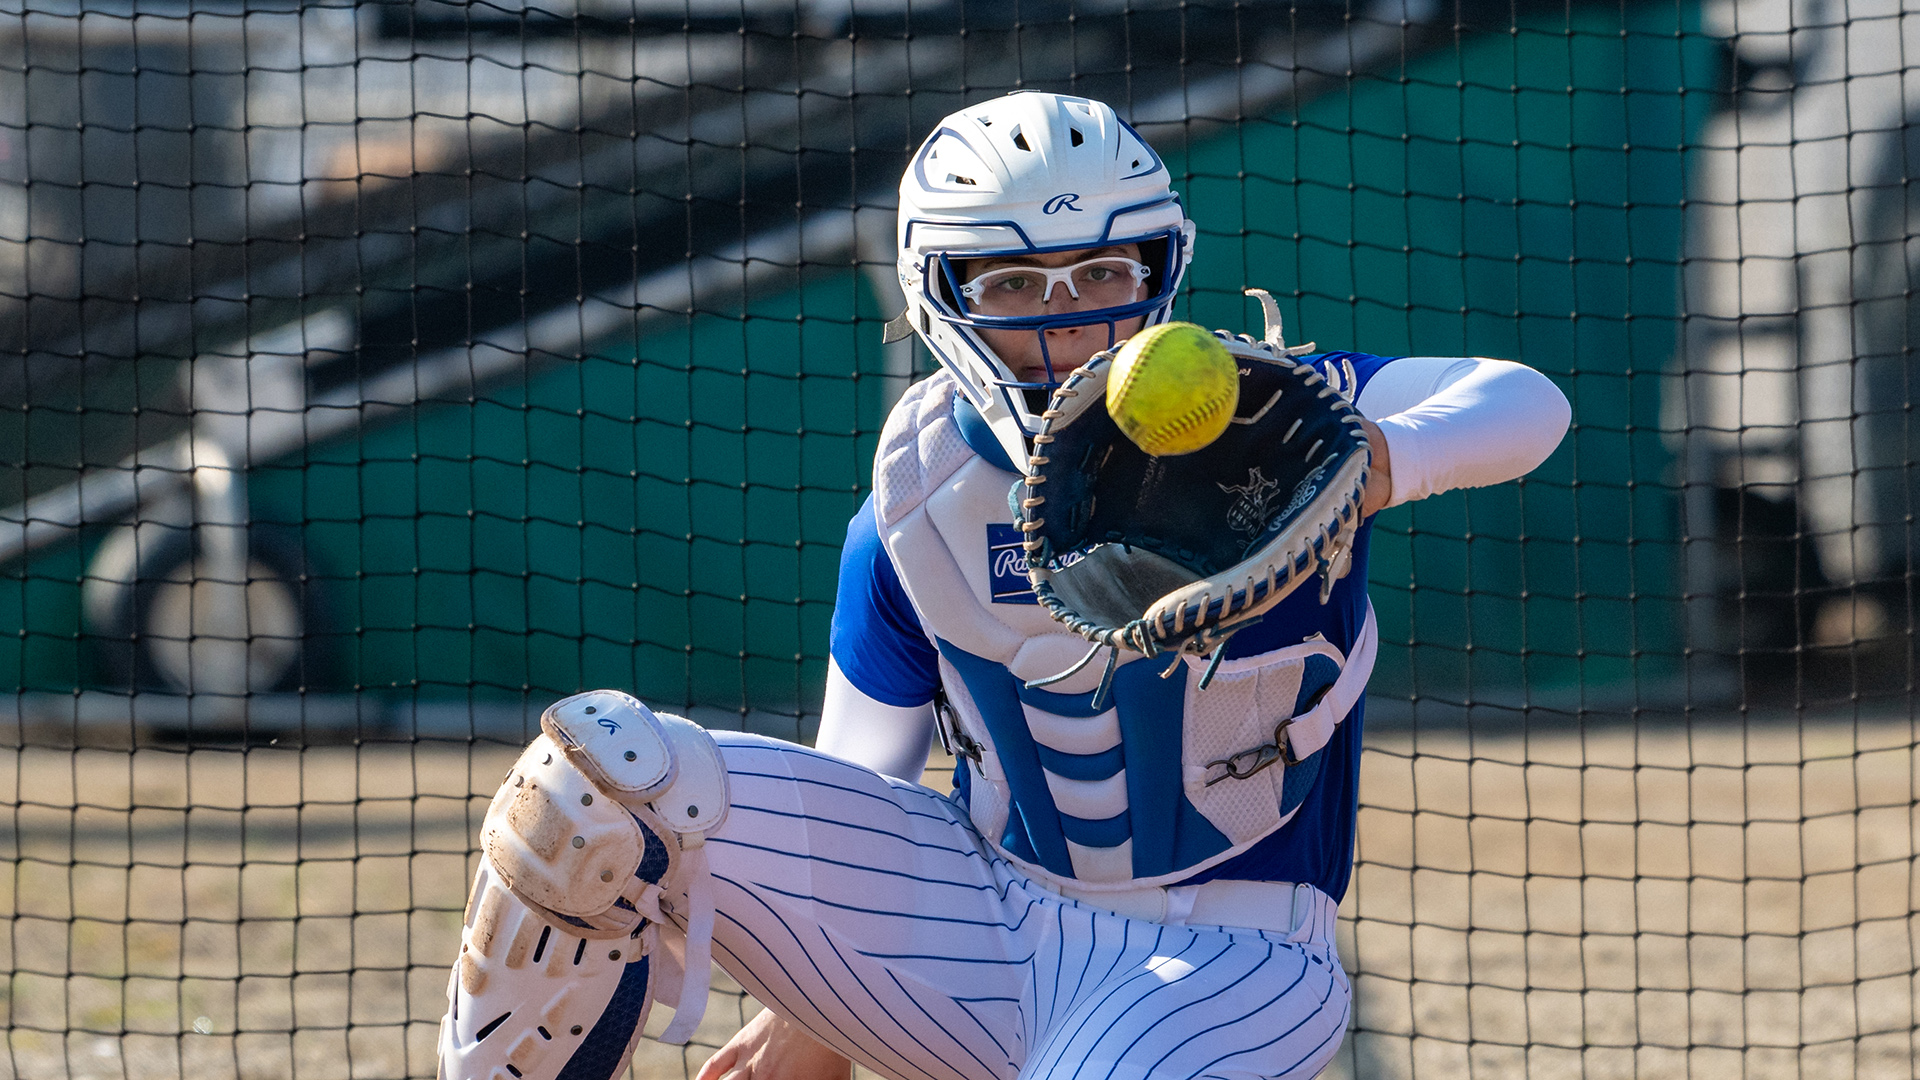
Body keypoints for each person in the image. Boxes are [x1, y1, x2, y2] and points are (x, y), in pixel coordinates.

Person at [438, 90, 1571, 1080]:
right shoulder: (912, 504)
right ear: (943, 294)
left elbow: (1527, 402)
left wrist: (1375, 461)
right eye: (1019, 281)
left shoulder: (1274, 417)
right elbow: (853, 793)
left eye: (1102, 273)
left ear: (1160, 271)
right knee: (600, 786)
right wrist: (810, 1022)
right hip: (983, 929)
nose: (1069, 313)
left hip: (1235, 960)